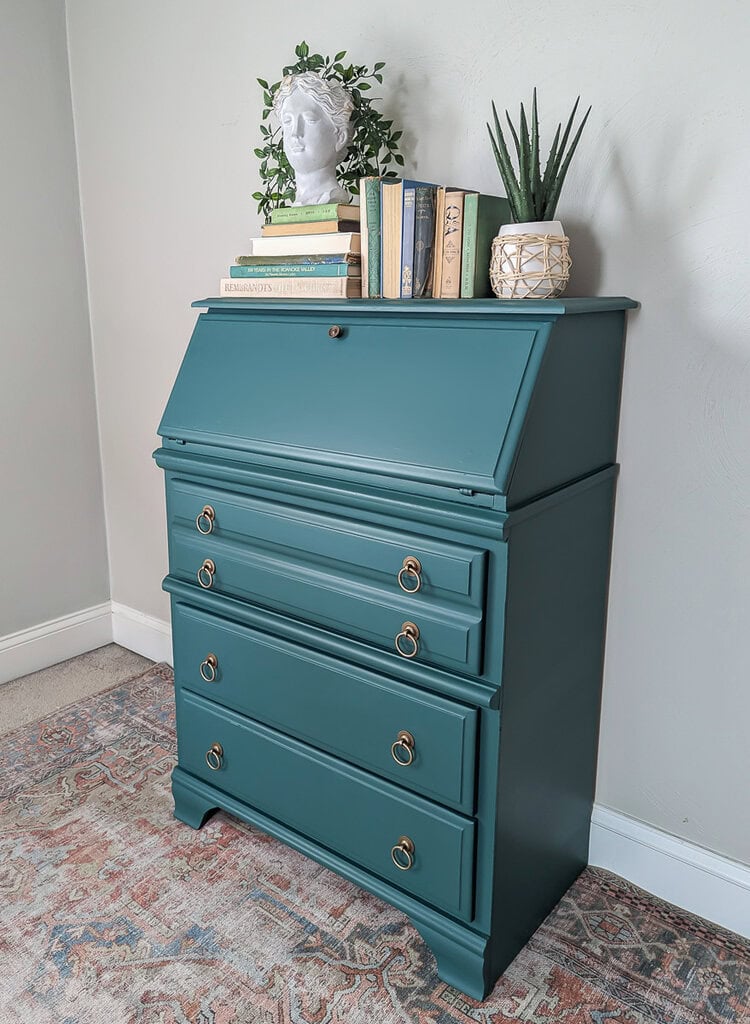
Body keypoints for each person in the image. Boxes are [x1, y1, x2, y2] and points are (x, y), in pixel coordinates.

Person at [273, 71, 354, 206]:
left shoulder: (332, 198)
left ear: (340, 136)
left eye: (309, 120)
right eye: (288, 121)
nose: (295, 133)